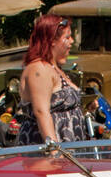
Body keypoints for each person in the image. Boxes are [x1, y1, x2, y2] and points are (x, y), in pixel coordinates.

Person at [17, 14, 88, 145]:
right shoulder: (38, 69)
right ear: (52, 41)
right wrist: (55, 152)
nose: (72, 41)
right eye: (67, 37)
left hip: (69, 152)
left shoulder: (55, 68)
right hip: (47, 156)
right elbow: (41, 112)